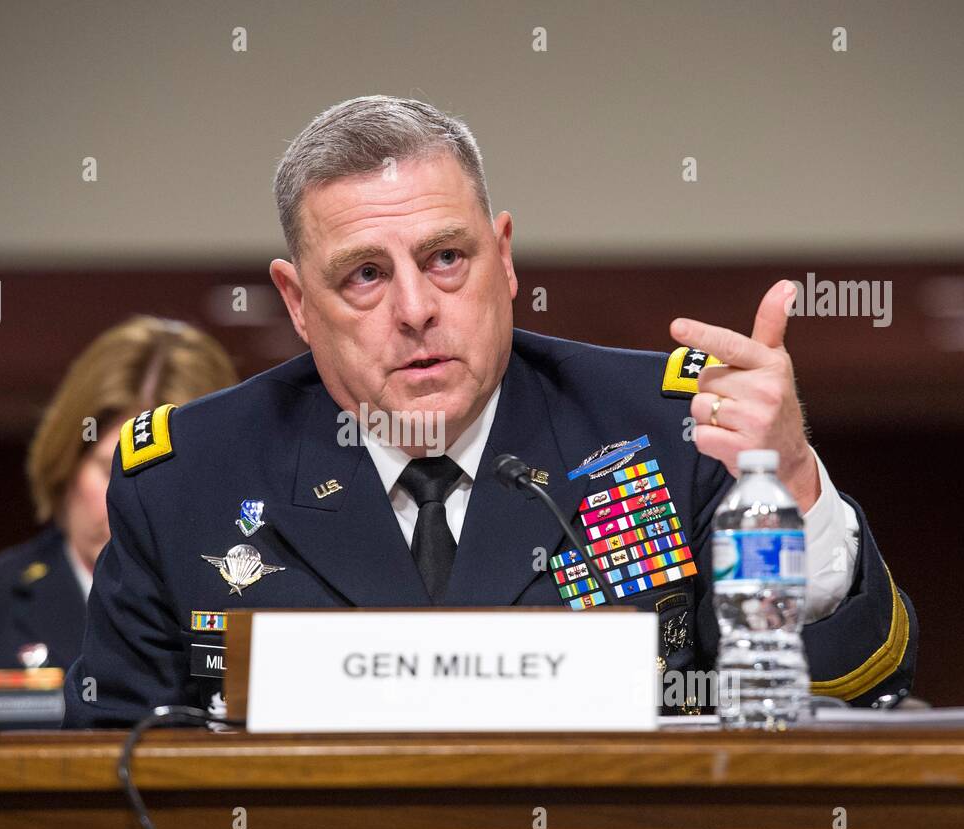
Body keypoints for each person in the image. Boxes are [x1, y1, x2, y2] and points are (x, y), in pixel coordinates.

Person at [63, 96, 916, 728]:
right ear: (295, 300)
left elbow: (847, 698)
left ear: (503, 258)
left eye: (445, 258)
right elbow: (112, 786)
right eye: (364, 274)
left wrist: (792, 481)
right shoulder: (188, 483)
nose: (414, 308)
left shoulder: (676, 432)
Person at [0, 316, 238, 728]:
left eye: (167, 478)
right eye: (115, 469)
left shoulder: (258, 609)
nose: (135, 499)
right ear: (65, 462)